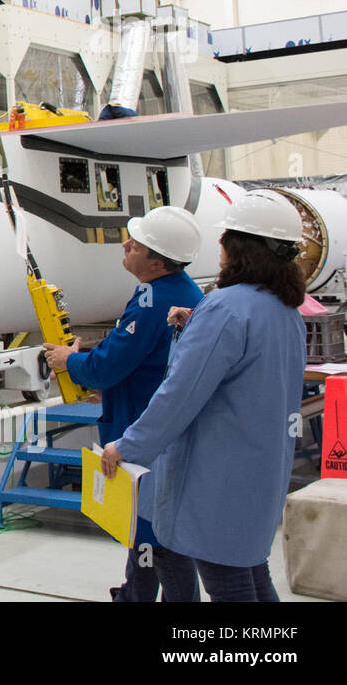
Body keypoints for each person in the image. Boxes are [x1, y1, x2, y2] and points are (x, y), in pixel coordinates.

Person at [102, 189, 307, 602]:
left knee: (228, 583)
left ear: (240, 248)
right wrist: (194, 325)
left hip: (218, 477)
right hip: (260, 471)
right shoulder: (283, 310)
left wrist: (128, 446)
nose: (219, 245)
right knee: (251, 571)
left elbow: (178, 395)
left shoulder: (225, 308)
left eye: (226, 237)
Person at [42, 206, 204, 601]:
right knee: (144, 528)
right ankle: (134, 596)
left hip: (144, 430)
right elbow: (137, 355)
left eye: (138, 243)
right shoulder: (185, 290)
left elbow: (109, 367)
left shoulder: (153, 300)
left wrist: (70, 361)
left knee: (156, 535)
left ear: (156, 260)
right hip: (163, 429)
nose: (127, 244)